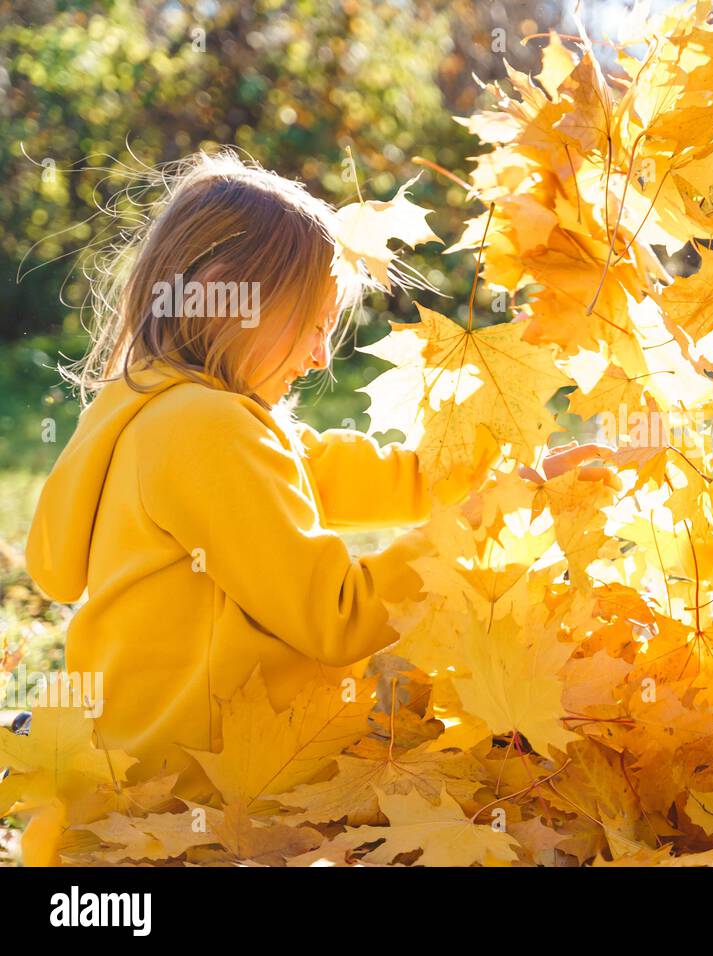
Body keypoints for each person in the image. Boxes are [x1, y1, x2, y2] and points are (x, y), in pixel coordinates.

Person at [24, 150, 605, 794]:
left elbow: (378, 474)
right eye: (312, 324)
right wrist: (477, 522)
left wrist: (516, 464)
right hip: (202, 791)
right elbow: (339, 618)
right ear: (226, 298)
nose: (320, 355)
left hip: (156, 765)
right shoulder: (204, 431)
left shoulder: (166, 411)